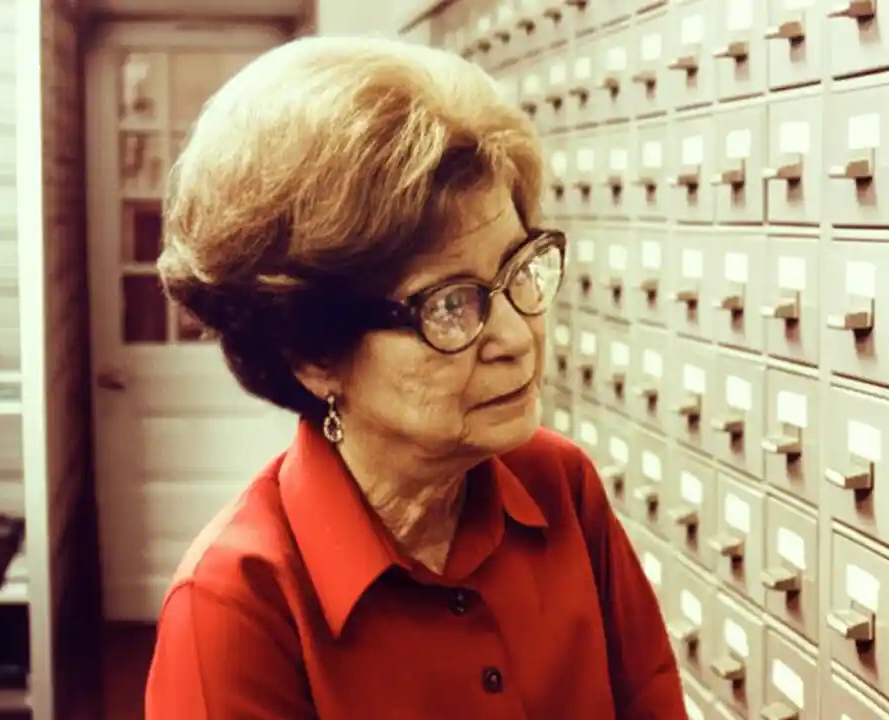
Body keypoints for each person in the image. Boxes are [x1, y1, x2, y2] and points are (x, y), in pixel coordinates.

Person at [143, 35, 687, 720]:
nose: (518, 338)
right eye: (451, 304)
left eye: (520, 269)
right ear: (313, 353)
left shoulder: (558, 486)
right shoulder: (235, 604)